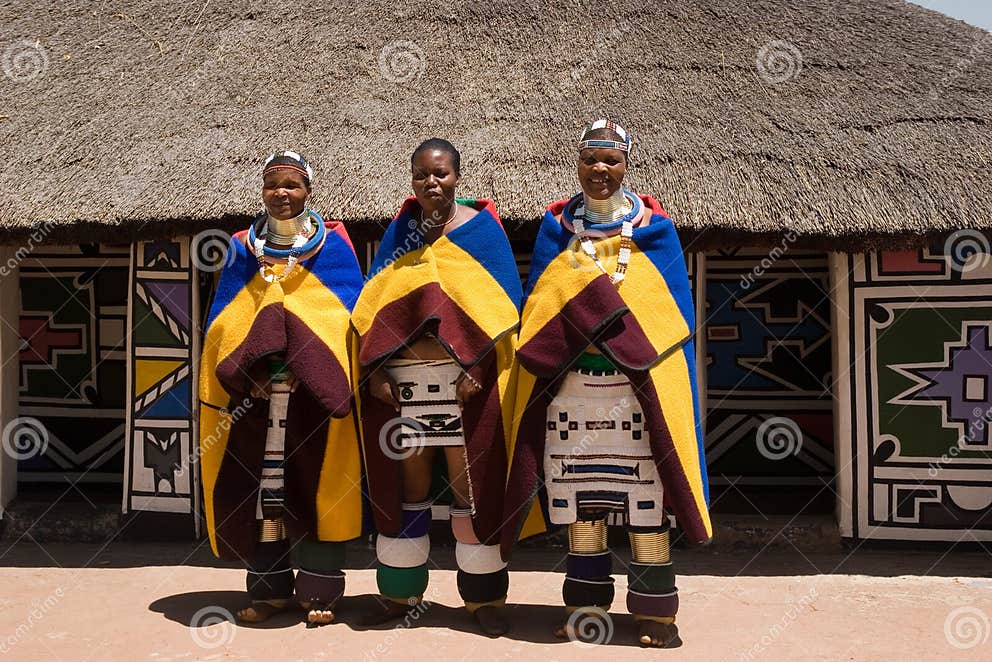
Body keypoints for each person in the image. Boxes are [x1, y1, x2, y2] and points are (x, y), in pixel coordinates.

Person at [500, 120, 712, 647]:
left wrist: (621, 330)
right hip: (572, 392)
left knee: (647, 504)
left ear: (626, 164)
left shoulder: (656, 232)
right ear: (577, 164)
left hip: (636, 394)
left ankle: (655, 615)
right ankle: (586, 609)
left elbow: (672, 317)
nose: (600, 169)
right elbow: (539, 308)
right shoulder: (556, 231)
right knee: (581, 506)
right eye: (590, 159)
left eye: (611, 160)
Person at [351, 139, 521, 636]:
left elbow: (503, 309)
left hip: (465, 385)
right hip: (405, 382)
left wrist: (479, 368)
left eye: (441, 173)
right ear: (412, 179)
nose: (432, 182)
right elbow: (373, 307)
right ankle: (399, 594)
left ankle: (484, 598)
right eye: (422, 174)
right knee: (411, 488)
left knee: (471, 486)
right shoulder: (401, 233)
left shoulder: (483, 233)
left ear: (457, 176)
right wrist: (374, 371)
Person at [198, 150, 364, 626]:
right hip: (254, 400)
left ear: (308, 189)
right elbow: (224, 322)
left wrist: (309, 362)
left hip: (315, 398)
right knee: (264, 492)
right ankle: (268, 591)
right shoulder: (241, 248)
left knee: (318, 487)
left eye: (292, 184)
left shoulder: (333, 247)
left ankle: (319, 592)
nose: (282, 193)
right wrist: (249, 366)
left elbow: (345, 318)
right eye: (273, 185)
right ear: (262, 191)